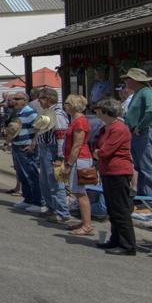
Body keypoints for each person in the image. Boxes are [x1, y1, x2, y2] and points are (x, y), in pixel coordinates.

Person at [92, 97, 137, 256]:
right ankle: (115, 239)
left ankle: (127, 245)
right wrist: (98, 152)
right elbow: (98, 146)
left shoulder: (118, 128)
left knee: (120, 209)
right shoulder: (108, 127)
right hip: (109, 171)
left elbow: (105, 151)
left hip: (118, 171)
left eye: (98, 109)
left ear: (105, 111)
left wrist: (98, 153)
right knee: (113, 209)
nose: (96, 112)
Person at [121, 68, 152, 198]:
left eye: (127, 79)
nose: (125, 81)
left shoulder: (146, 92)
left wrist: (140, 126)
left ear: (134, 80)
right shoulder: (141, 92)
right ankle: (144, 196)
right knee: (141, 165)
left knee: (147, 165)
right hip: (140, 132)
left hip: (145, 132)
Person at [62, 94, 96, 237]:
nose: (65, 106)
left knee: (80, 192)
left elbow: (77, 145)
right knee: (78, 191)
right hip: (77, 158)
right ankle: (84, 222)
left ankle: (87, 225)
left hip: (80, 159)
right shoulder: (75, 120)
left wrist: (69, 164)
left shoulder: (80, 122)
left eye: (67, 104)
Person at [35, 87, 70, 223]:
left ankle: (62, 212)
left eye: (41, 98)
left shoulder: (58, 114)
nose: (39, 101)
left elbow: (61, 136)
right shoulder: (47, 112)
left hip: (53, 149)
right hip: (44, 148)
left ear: (49, 99)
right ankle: (51, 208)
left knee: (56, 181)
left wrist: (60, 157)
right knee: (44, 181)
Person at [8, 91, 44, 212]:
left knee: (31, 175)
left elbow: (38, 130)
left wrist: (33, 145)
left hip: (26, 148)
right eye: (14, 99)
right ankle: (28, 199)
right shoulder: (18, 113)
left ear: (25, 100)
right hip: (17, 146)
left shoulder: (31, 113)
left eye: (17, 99)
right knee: (22, 175)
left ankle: (38, 202)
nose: (15, 101)